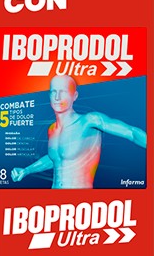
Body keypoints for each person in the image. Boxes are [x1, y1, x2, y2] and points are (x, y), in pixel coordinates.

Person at [11, 74, 147, 189]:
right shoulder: (52, 130)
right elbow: (56, 158)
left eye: (63, 91)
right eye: (53, 91)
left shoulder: (89, 121)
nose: (57, 97)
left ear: (74, 95)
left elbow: (131, 132)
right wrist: (26, 170)